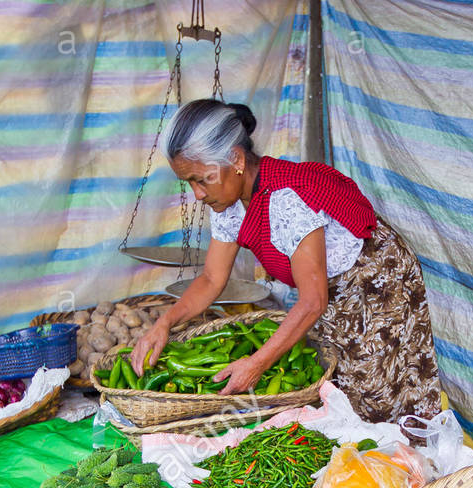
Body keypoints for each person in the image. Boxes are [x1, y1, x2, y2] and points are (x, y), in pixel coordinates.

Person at [129, 99, 441, 424]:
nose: (196, 194)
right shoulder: (228, 202)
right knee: (335, 385)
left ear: (235, 159)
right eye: (188, 182)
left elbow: (312, 301)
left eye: (201, 179)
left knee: (377, 391)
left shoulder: (286, 200)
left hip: (375, 278)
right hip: (326, 287)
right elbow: (211, 278)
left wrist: (256, 363)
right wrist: (164, 324)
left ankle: (414, 457)